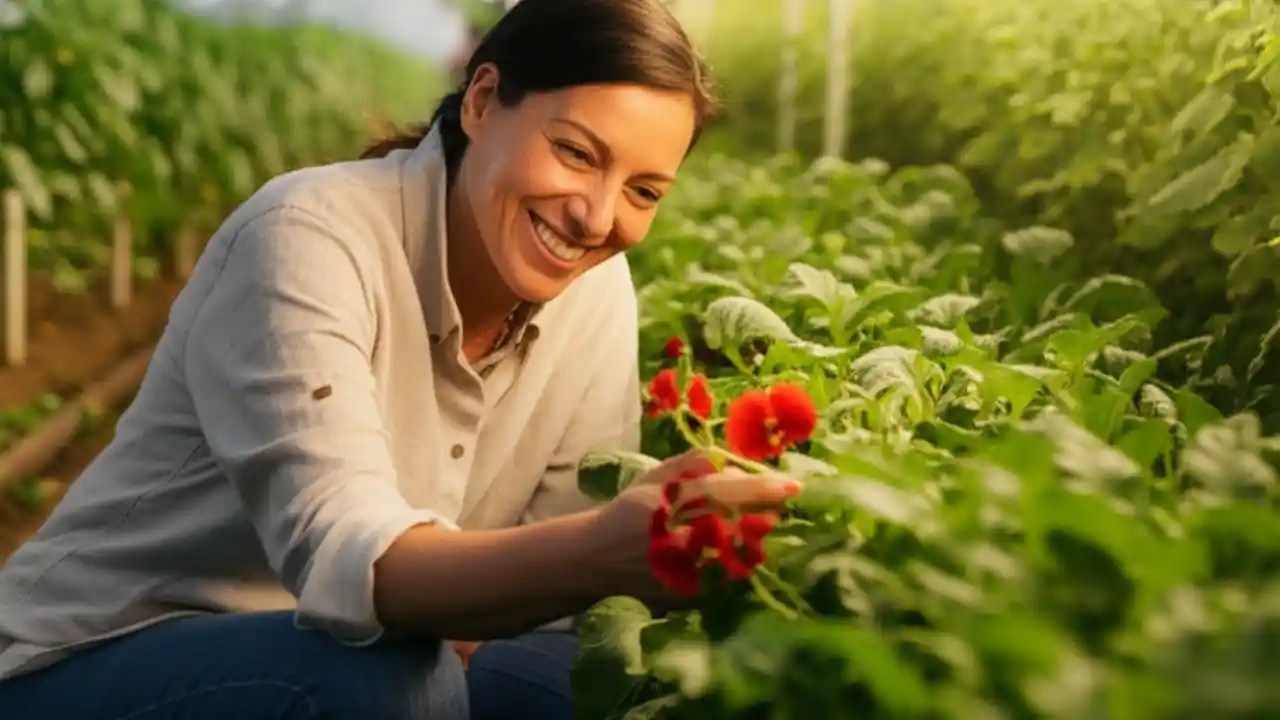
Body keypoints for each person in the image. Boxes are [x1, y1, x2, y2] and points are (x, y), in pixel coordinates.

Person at [0, 0, 802, 718]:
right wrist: (604, 551)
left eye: (645, 191)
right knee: (389, 686)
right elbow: (357, 561)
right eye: (577, 153)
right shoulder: (311, 235)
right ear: (484, 102)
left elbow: (544, 592)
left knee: (573, 682)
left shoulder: (596, 289)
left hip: (376, 653)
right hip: (91, 666)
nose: (598, 218)